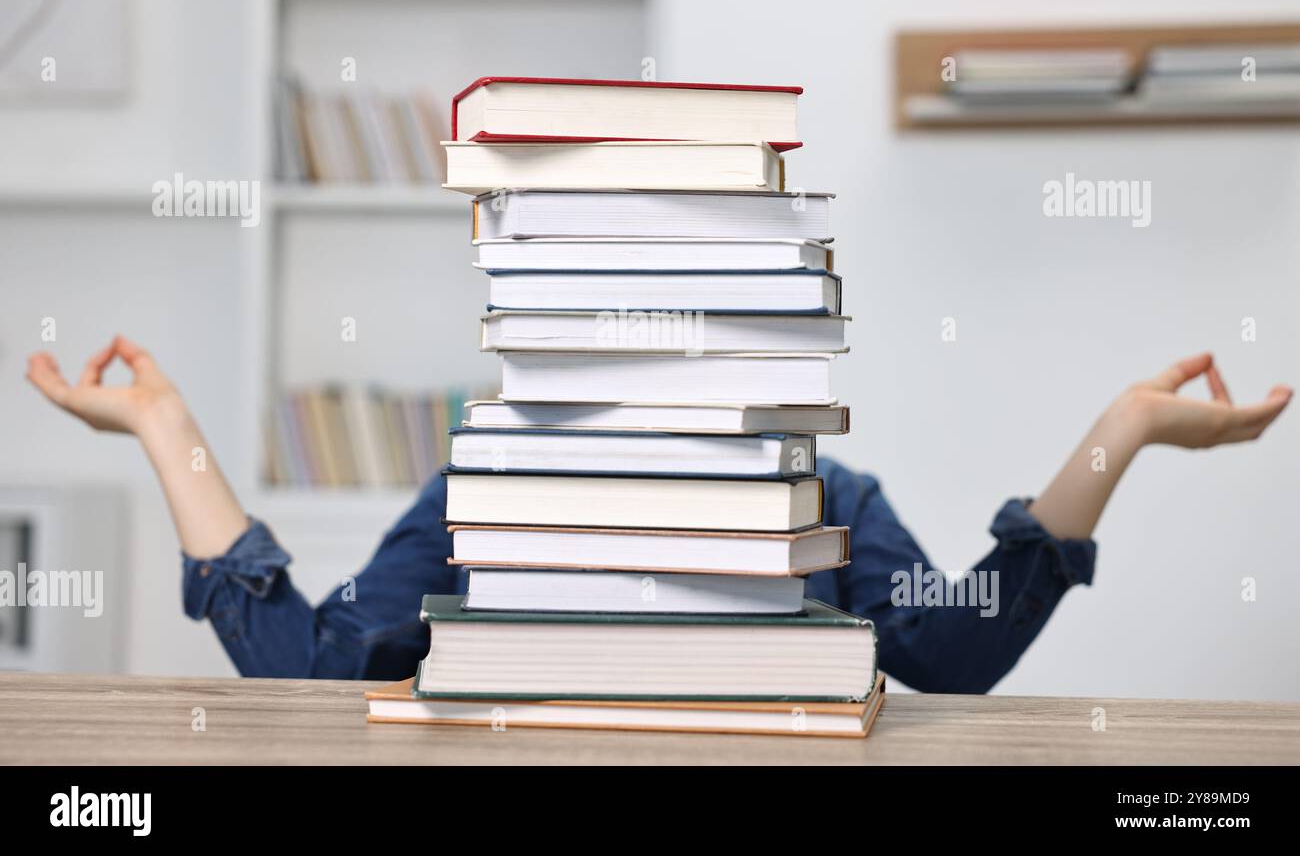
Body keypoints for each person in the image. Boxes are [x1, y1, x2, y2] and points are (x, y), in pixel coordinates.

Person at [27, 335, 1291, 692]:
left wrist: (1117, 433)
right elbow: (313, 667)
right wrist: (165, 428)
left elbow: (945, 654)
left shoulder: (832, 499)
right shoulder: (487, 490)